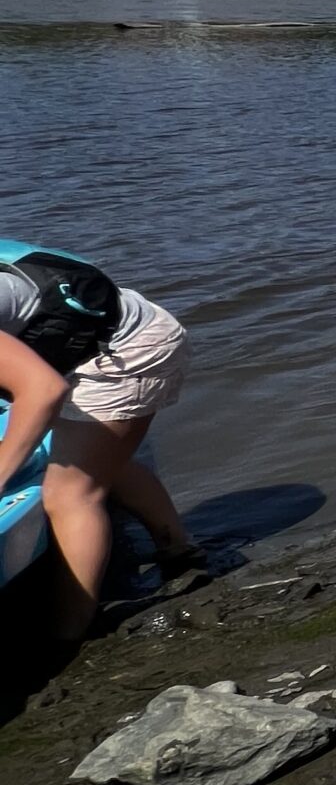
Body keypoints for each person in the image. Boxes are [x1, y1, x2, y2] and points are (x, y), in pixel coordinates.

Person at [0, 242, 200, 642]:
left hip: (125, 352)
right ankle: (180, 553)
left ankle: (70, 633)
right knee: (101, 456)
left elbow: (42, 390)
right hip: (79, 340)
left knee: (70, 491)